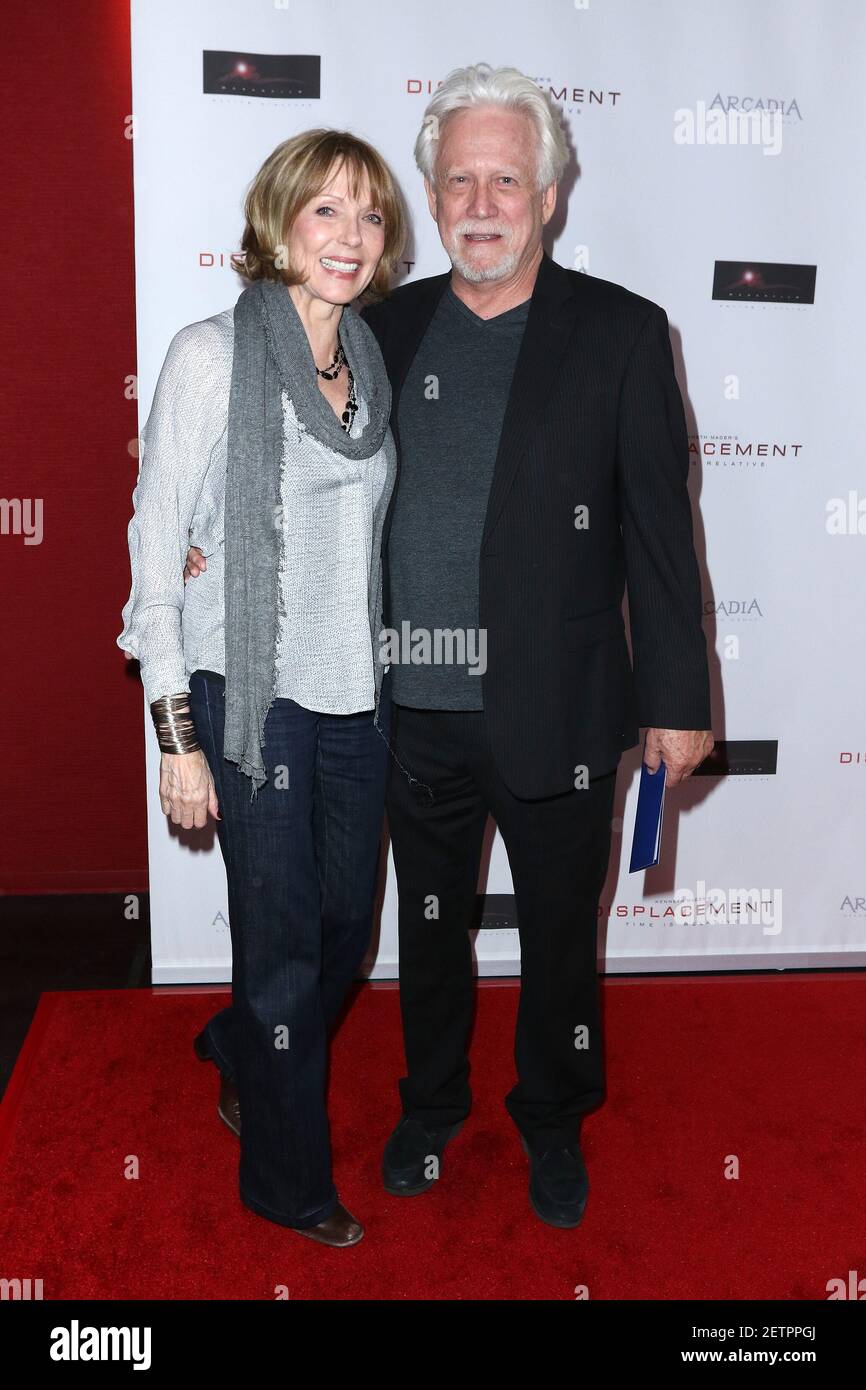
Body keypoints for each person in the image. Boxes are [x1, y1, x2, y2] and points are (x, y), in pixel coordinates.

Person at [186, 63, 715, 1232]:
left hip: (560, 707)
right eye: (458, 179)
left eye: (506, 181)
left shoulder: (623, 333)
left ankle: (551, 1117)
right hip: (395, 713)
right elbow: (280, 486)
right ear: (427, 191)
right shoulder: (379, 325)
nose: (481, 203)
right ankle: (427, 1109)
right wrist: (195, 556)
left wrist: (675, 696)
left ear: (551, 194)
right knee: (420, 937)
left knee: (557, 947)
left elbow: (660, 536)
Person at [117, 129, 406, 1246]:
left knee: (345, 927)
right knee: (283, 946)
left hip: (356, 700)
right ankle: (285, 1180)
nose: (348, 237)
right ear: (279, 221)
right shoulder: (209, 355)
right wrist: (175, 733)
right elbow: (156, 550)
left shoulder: (368, 367)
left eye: (369, 216)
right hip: (250, 701)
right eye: (324, 211)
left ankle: (242, 1044)